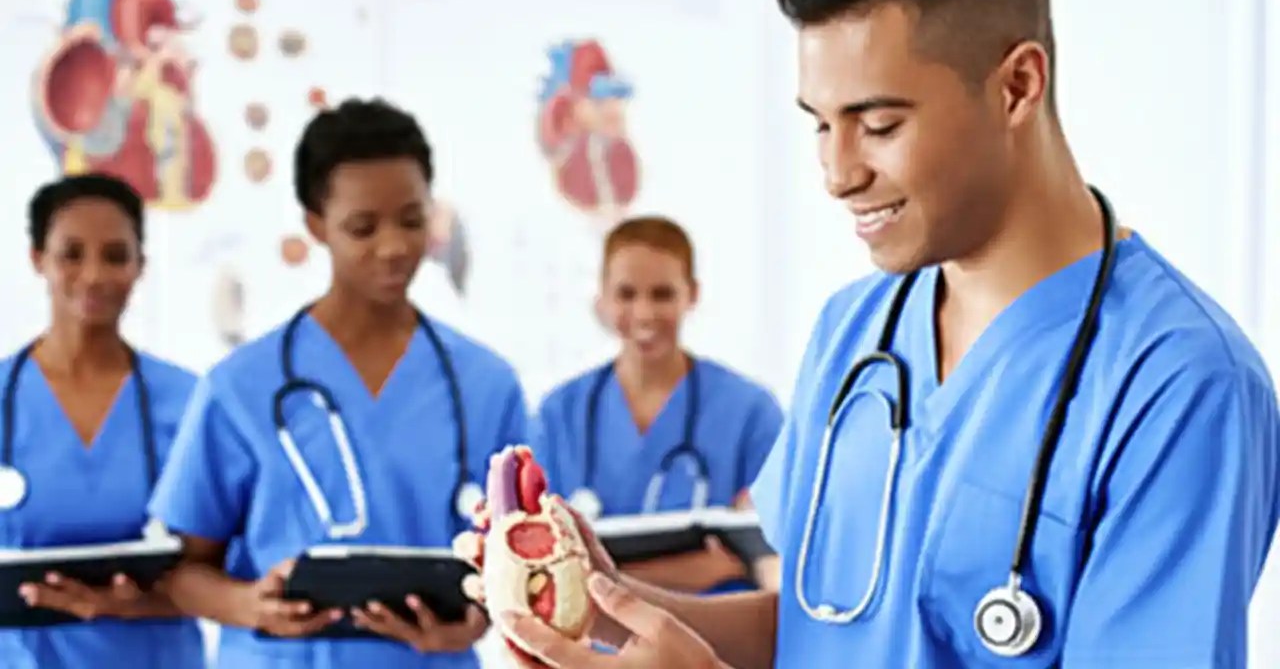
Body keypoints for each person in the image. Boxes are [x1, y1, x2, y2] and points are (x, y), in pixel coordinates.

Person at [465, 0, 1280, 667]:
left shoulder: (1179, 383)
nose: (837, 172)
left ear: (1018, 87)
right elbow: (821, 633)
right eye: (820, 125)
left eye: (878, 124)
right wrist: (606, 609)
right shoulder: (855, 334)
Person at [149, 98, 528, 668]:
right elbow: (181, 570)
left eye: (412, 219)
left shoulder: (486, 383)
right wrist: (248, 605)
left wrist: (480, 620)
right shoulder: (240, 387)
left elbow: (528, 559)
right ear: (315, 224)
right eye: (362, 227)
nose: (395, 247)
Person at [0, 174, 205, 668]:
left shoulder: (191, 403)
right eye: (71, 253)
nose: (93, 275)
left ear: (140, 267)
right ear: (37, 259)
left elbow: (230, 574)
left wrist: (134, 604)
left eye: (115, 256)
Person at [533, 217, 783, 595]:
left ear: (692, 294)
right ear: (601, 297)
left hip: (712, 643)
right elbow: (538, 563)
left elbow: (768, 559)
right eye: (626, 294)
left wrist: (600, 576)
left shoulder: (751, 413)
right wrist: (700, 568)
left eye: (663, 294)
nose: (645, 313)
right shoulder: (560, 414)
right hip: (596, 648)